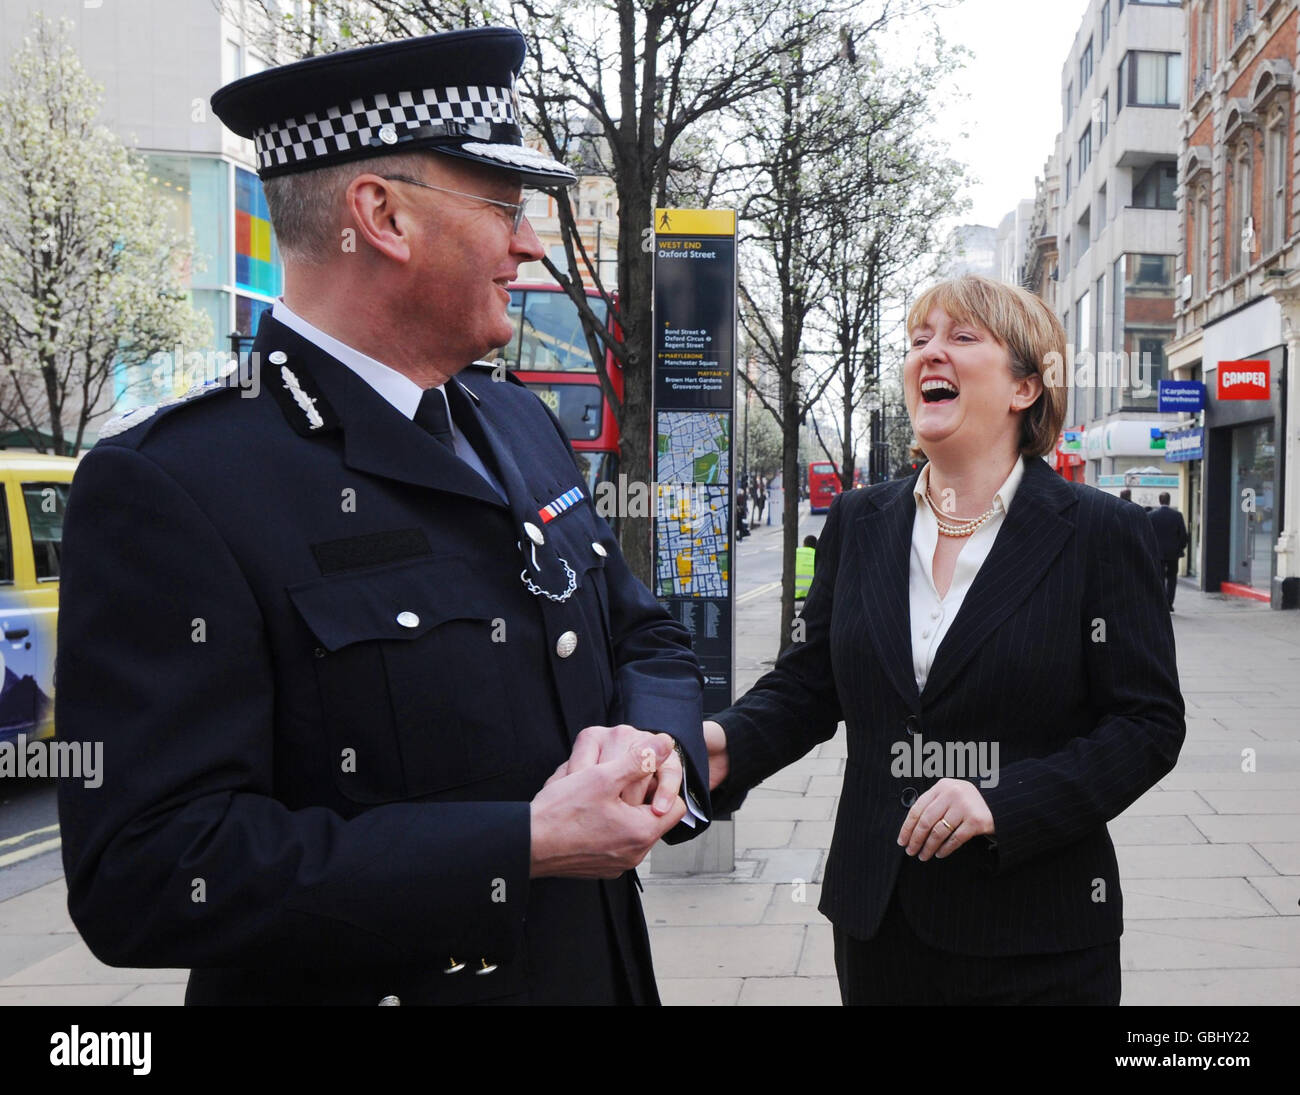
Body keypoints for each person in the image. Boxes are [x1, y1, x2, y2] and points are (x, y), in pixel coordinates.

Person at [55, 27, 710, 1006]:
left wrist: (653, 750)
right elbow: (146, 872)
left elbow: (643, 634)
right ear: (383, 216)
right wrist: (522, 844)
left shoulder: (512, 417)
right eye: (503, 206)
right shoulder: (176, 485)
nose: (527, 241)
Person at [703, 274, 1184, 1005]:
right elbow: (807, 685)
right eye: (919, 339)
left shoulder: (1100, 533)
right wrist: (723, 744)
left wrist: (1004, 800)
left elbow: (1149, 725)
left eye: (962, 338)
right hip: (878, 924)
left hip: (1037, 937)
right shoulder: (860, 522)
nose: (931, 353)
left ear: (1026, 387)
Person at [1147, 491, 1190, 611]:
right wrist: (1180, 547)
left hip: (1157, 553)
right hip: (1173, 553)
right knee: (1172, 578)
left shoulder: (1151, 516)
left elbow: (1148, 534)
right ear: (1169, 501)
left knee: (1159, 577)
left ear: (1159, 501)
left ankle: (1160, 602)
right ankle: (1169, 603)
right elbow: (1183, 535)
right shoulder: (1177, 515)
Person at [794, 535, 817, 600]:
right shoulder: (817, 554)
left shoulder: (796, 551)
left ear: (804, 544)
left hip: (793, 594)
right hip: (811, 596)